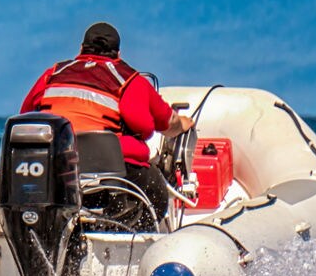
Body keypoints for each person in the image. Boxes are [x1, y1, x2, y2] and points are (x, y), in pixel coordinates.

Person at [19, 21, 192, 219]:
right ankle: (133, 230)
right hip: (110, 172)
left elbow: (26, 113)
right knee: (155, 189)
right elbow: (149, 125)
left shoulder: (53, 73)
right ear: (118, 54)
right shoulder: (128, 79)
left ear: (81, 48)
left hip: (54, 166)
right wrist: (183, 123)